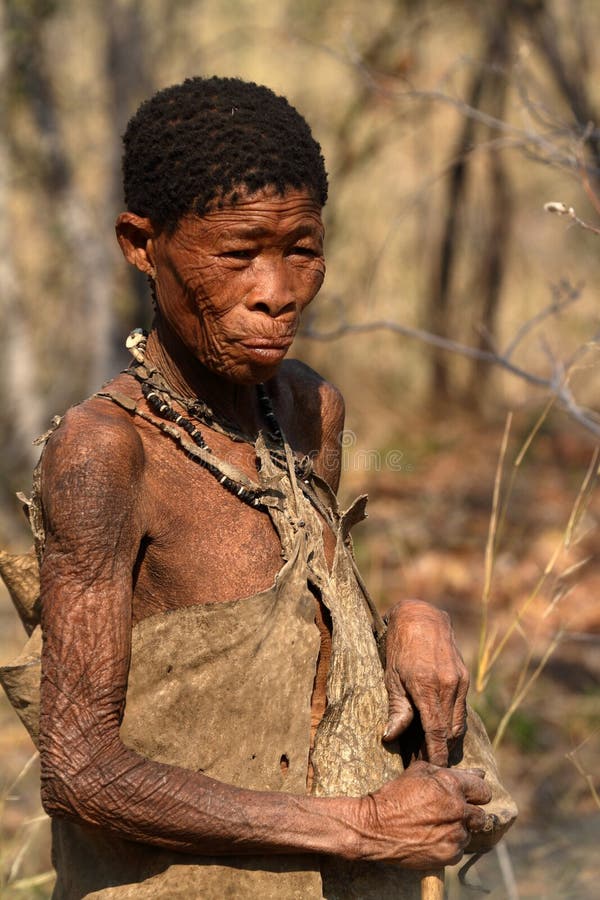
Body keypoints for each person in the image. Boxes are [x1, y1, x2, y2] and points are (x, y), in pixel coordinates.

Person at [1, 77, 515, 899]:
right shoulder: (104, 455)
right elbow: (80, 770)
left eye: (301, 250)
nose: (276, 291)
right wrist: (361, 825)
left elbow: (309, 649)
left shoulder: (308, 411)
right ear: (142, 245)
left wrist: (409, 624)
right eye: (237, 255)